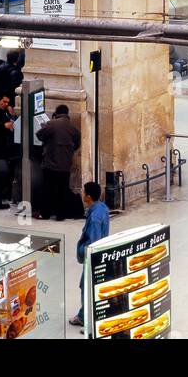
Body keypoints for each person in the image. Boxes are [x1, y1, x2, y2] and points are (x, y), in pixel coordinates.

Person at [69, 181, 111, 327]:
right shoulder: (102, 208)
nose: (82, 195)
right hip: (101, 254)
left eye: (83, 192)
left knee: (85, 285)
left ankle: (84, 317)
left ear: (88, 196)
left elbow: (93, 241)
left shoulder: (93, 218)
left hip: (93, 256)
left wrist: (82, 253)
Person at [36, 104, 81, 220]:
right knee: (63, 190)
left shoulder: (52, 124)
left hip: (50, 163)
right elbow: (77, 145)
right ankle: (60, 215)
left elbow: (39, 135)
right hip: (65, 165)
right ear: (67, 113)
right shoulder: (73, 128)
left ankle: (45, 214)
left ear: (56, 113)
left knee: (48, 189)